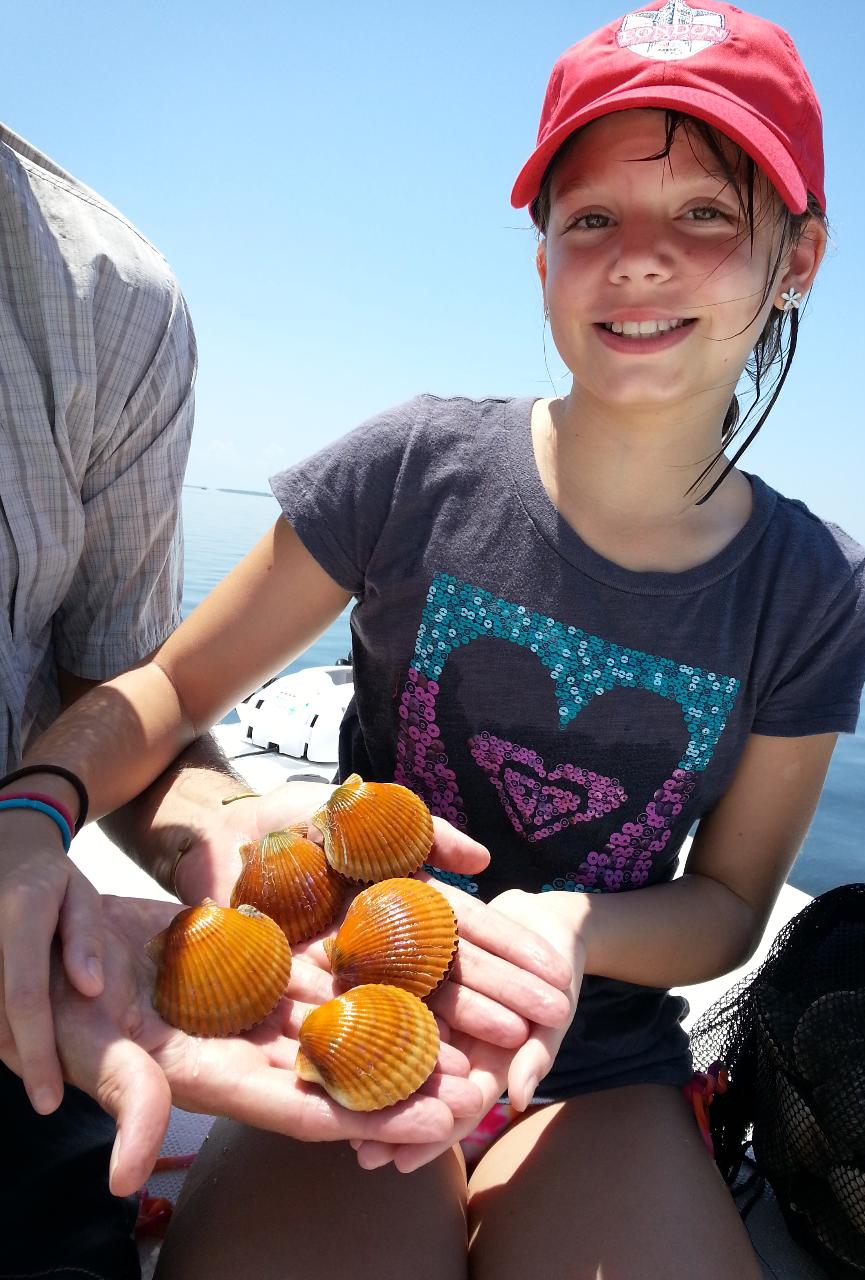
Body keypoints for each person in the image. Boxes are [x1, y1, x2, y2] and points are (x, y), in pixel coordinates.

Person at [0, 3, 865, 1275]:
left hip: (590, 1056)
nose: (639, 258)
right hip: (342, 998)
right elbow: (168, 686)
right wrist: (33, 809)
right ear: (539, 258)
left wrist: (567, 927)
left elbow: (732, 901)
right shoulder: (414, 468)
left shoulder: (813, 589)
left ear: (797, 256)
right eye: (591, 219)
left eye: (706, 213)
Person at [0, 123, 570, 1278]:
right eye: (592, 214)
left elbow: (123, 686)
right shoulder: (411, 467)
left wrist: (189, 824)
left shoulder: (102, 300)